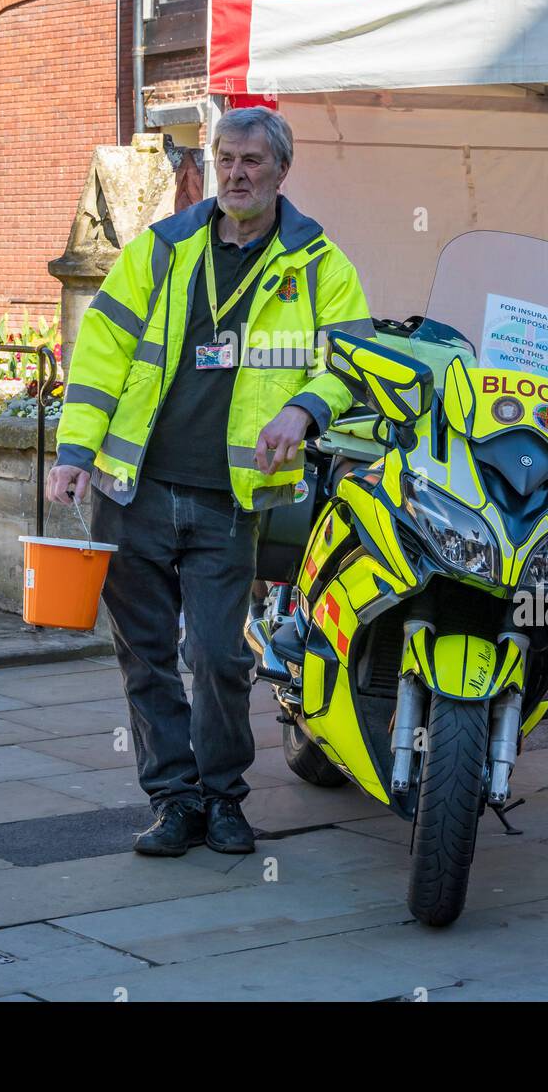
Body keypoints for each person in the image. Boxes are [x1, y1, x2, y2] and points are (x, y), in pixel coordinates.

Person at [47, 107, 372, 857]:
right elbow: (102, 353)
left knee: (221, 657)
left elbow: (351, 361)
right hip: (133, 489)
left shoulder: (319, 263)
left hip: (232, 499)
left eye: (252, 160)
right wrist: (74, 451)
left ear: (282, 170)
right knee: (147, 655)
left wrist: (302, 408)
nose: (235, 173)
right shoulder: (163, 248)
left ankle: (225, 799)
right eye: (225, 158)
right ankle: (173, 800)